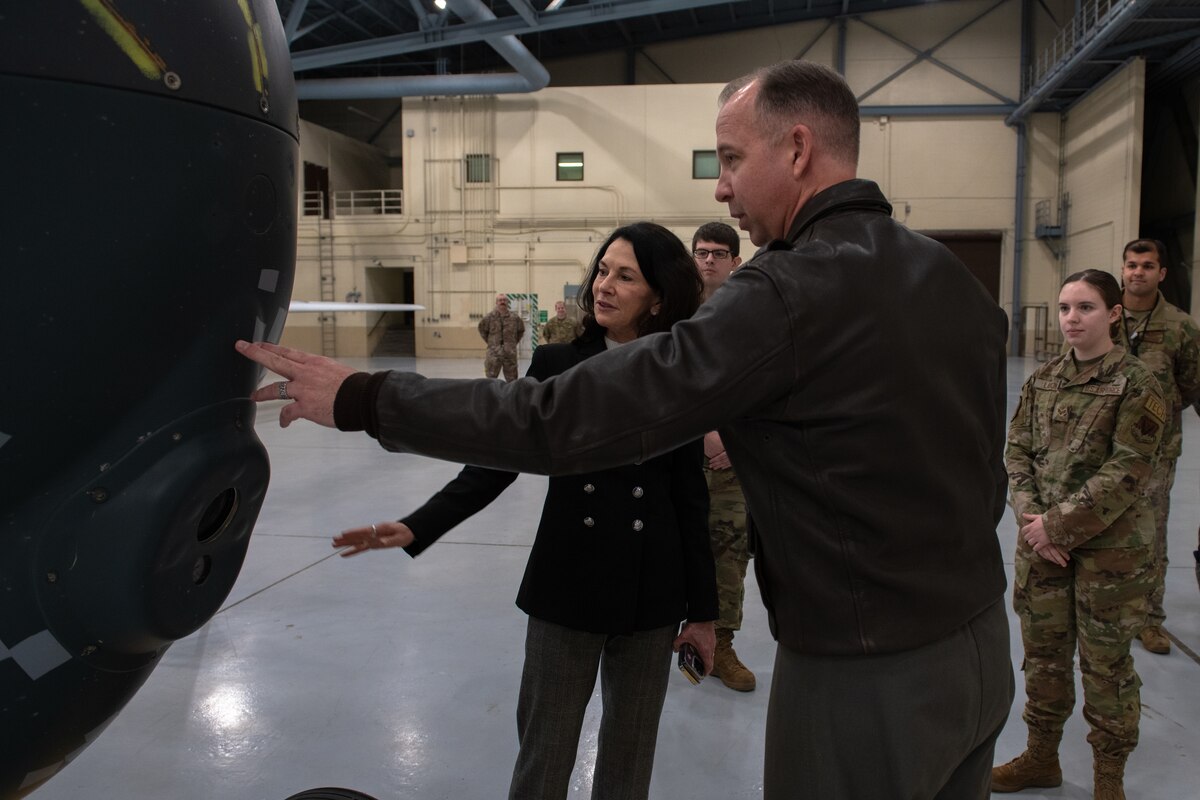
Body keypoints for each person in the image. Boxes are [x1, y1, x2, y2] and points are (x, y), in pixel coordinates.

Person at [238, 60, 1014, 799]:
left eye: (733, 158)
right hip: (978, 650)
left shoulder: (786, 290)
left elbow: (561, 418)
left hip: (865, 673)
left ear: (800, 148)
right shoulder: (952, 278)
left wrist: (368, 398)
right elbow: (988, 473)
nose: (722, 187)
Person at [331, 222, 717, 800]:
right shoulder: (559, 362)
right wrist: (420, 523)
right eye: (602, 271)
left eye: (625, 276)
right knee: (545, 752)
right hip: (569, 586)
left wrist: (704, 615)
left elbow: (690, 496)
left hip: (653, 594)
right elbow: (496, 460)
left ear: (658, 297)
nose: (603, 286)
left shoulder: (675, 373)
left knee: (630, 758)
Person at [992, 269, 1165, 800]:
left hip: (1110, 559)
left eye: (1085, 307)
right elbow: (1015, 451)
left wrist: (1057, 526)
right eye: (1065, 307)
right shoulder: (1043, 378)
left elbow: (1129, 469)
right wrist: (1032, 521)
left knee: (1107, 667)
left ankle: (1107, 778)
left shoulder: (1138, 383)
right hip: (1042, 549)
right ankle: (1042, 758)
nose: (1071, 318)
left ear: (1113, 314)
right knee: (1043, 659)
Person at [1113, 238, 1200, 655]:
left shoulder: (1182, 327)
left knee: (1151, 536)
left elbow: (1193, 385)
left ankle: (1150, 620)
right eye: (1132, 265)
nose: (1138, 272)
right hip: (1103, 449)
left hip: (1156, 454)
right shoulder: (1104, 318)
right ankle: (1110, 609)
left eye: (1147, 266)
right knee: (1103, 529)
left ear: (1161, 273)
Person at [691, 221, 755, 692]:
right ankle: (664, 639)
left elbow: (768, 386)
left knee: (730, 550)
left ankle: (723, 643)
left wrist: (731, 437)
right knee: (669, 546)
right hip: (678, 455)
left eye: (719, 252)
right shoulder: (670, 313)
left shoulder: (754, 314)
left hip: (733, 460)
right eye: (701, 252)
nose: (709, 259)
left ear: (736, 261)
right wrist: (704, 431)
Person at [478, 293, 525, 381]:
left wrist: (512, 343)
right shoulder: (489, 317)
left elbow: (520, 330)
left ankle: (511, 395)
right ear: (496, 302)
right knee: (490, 379)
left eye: (504, 300)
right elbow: (482, 330)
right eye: (500, 300)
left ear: (507, 302)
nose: (502, 302)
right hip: (494, 353)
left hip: (509, 353)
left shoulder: (514, 318)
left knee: (512, 380)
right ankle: (490, 395)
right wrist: (491, 343)